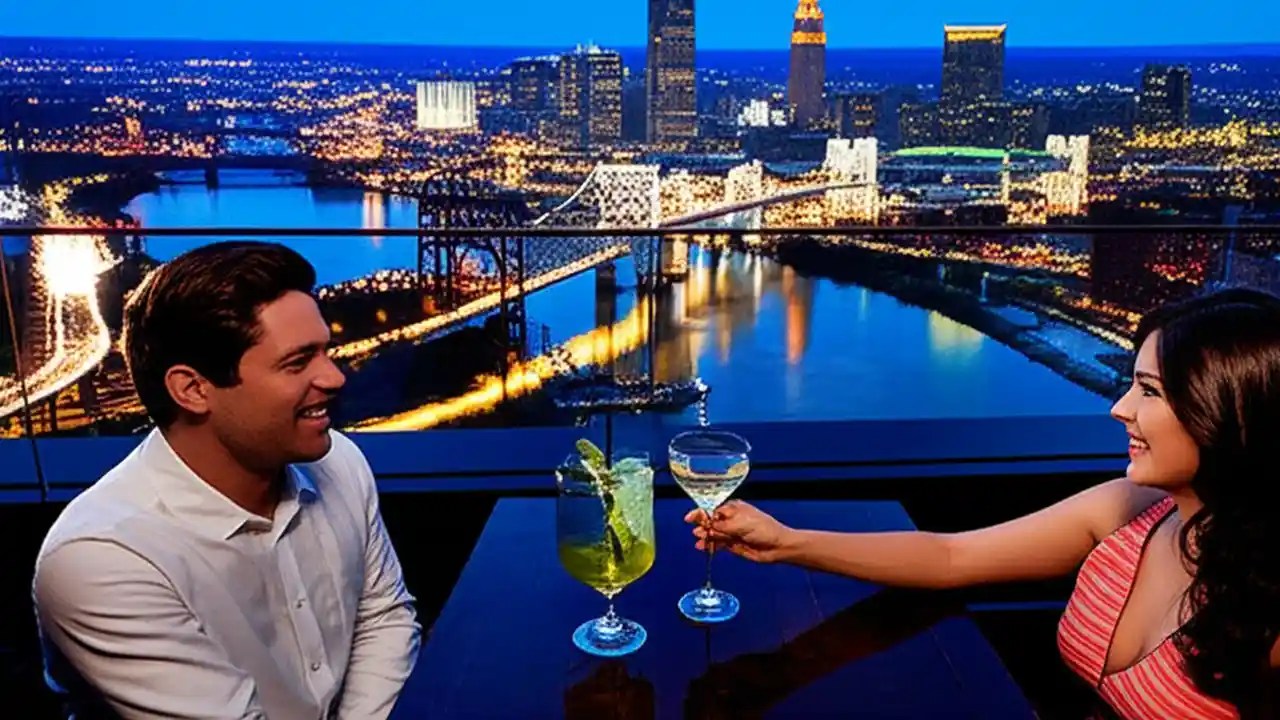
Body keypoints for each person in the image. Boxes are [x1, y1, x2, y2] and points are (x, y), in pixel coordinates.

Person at [687, 287, 1280, 719]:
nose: (1119, 409)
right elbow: (952, 557)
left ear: (1224, 413)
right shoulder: (1131, 512)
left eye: (1148, 391)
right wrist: (785, 541)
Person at [33, 241, 421, 719]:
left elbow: (382, 619)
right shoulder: (101, 559)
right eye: (298, 362)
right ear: (193, 390)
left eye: (326, 352)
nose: (336, 377)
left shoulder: (340, 461)